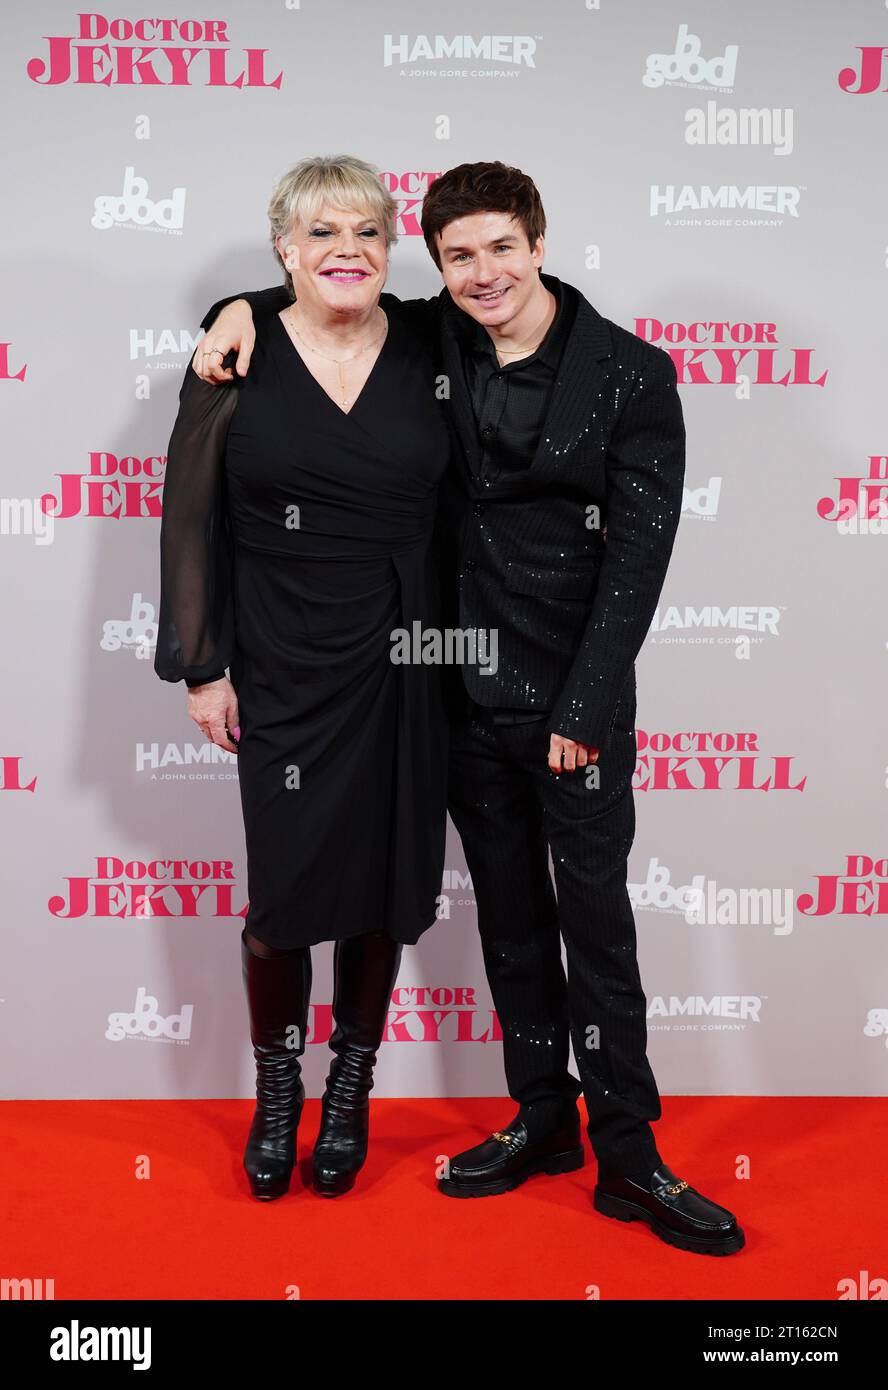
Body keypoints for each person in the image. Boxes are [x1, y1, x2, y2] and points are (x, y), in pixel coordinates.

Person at [193, 161, 744, 1255]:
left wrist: (584, 705)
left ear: (539, 243)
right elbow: (327, 295)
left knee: (598, 933)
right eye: (458, 257)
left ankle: (631, 1157)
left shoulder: (631, 376)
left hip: (570, 697)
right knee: (507, 924)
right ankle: (542, 1121)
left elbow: (639, 562)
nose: (482, 273)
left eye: (500, 248)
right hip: (447, 682)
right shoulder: (431, 340)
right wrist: (236, 307)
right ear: (435, 268)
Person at [154, 155, 451, 1202]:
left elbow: (527, 313)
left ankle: (353, 1083)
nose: (346, 251)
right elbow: (189, 511)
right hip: (281, 655)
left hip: (409, 656)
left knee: (380, 882)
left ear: (389, 248)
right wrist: (203, 665)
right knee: (285, 896)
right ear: (283, 248)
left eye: (367, 232)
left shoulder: (430, 342)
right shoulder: (235, 354)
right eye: (321, 233)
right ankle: (280, 1086)